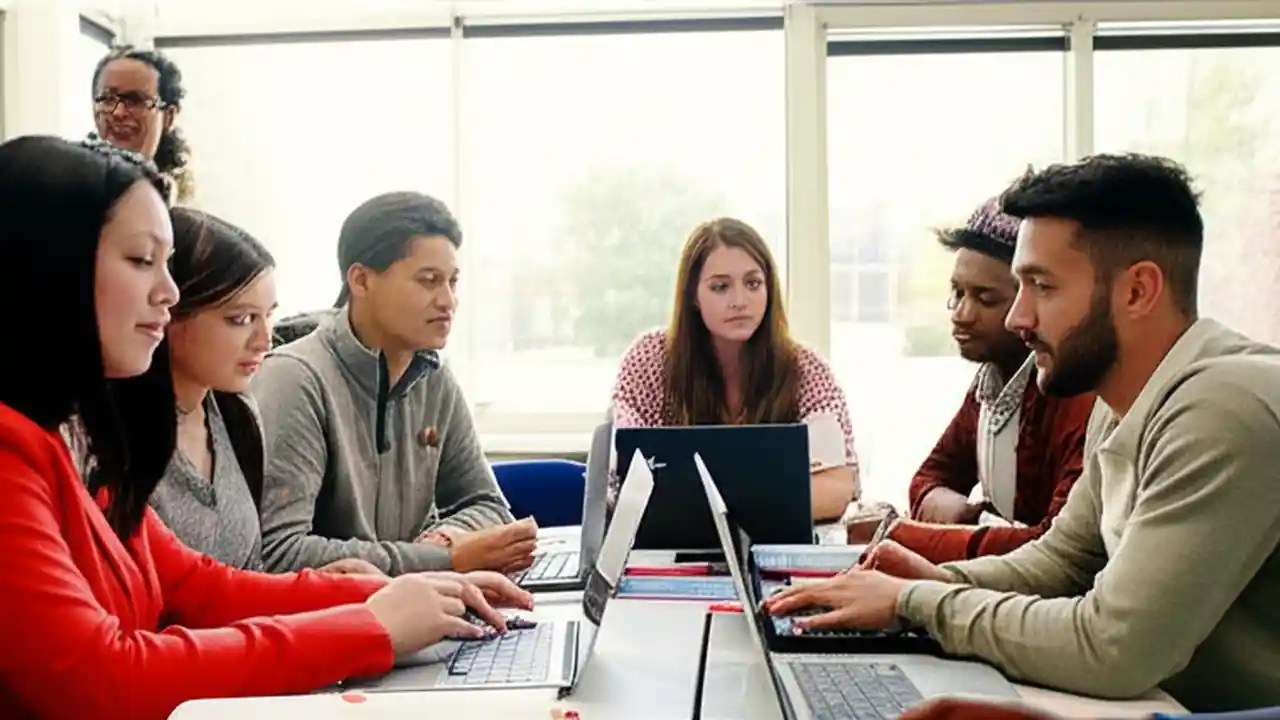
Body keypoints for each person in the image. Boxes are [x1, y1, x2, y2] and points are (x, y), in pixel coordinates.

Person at [0, 135, 530, 720]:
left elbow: (199, 586)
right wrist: (368, 625)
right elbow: (101, 679)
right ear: (50, 265)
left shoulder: (74, 436)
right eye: (141, 260)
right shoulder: (10, 450)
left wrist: (394, 593)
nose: (168, 293)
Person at [765, 154, 1280, 711]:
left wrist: (914, 602)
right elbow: (1061, 562)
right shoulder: (1125, 401)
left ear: (1137, 292)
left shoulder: (1220, 408)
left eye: (1042, 287)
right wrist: (936, 581)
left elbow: (1112, 646)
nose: (1018, 318)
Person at [252, 192, 536, 576]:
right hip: (337, 611)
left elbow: (487, 505)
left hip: (419, 602)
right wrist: (442, 560)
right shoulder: (294, 379)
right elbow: (279, 554)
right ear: (361, 280)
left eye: (452, 282)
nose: (448, 301)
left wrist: (442, 542)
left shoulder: (433, 376)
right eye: (429, 281)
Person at [150, 206, 380, 574]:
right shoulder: (112, 444)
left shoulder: (235, 414)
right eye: (240, 319)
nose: (264, 340)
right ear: (167, 313)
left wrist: (321, 585)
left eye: (268, 315)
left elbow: (248, 571)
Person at [888, 197, 1095, 562]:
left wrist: (904, 536)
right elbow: (928, 478)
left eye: (985, 299)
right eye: (957, 293)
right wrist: (969, 517)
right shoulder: (991, 381)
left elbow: (1053, 548)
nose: (962, 314)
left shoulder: (1074, 394)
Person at [611, 217, 857, 521]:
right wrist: (767, 494)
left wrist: (714, 500)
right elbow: (627, 472)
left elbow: (835, 488)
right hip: (674, 544)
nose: (740, 301)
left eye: (753, 284)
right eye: (721, 287)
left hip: (777, 543)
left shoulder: (805, 369)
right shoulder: (649, 360)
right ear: (693, 296)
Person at [91, 46, 194, 202]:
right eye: (108, 99)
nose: (118, 112)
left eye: (135, 100)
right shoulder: (68, 194)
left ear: (169, 116)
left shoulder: (184, 215)